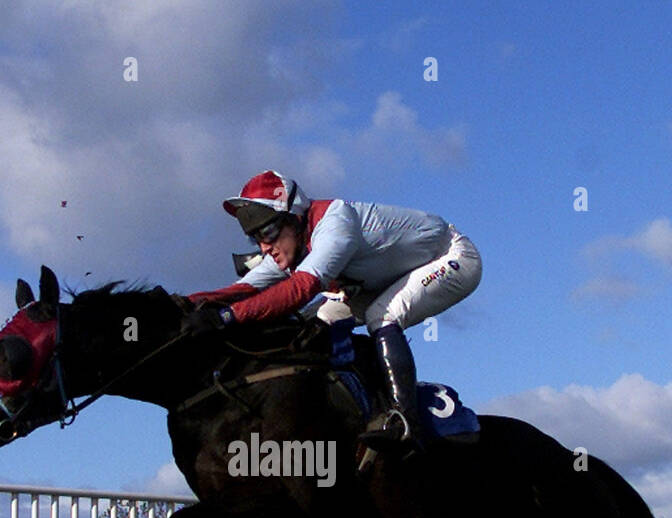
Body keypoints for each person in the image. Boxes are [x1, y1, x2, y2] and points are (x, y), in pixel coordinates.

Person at [184, 170, 481, 453]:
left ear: (295, 218)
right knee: (313, 323)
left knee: (382, 316)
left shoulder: (335, 224)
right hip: (380, 279)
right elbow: (243, 288)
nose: (264, 248)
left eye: (269, 232)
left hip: (450, 257)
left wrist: (227, 317)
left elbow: (301, 289)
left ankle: (405, 421)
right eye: (256, 237)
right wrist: (180, 302)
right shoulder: (292, 240)